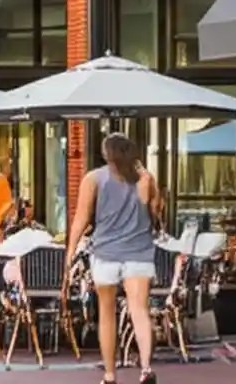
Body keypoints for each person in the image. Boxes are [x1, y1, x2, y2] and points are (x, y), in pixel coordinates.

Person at [65, 133, 160, 384]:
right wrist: (151, 185)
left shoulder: (93, 178)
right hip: (139, 252)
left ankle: (109, 374)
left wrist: (70, 251)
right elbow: (156, 213)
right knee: (139, 309)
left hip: (106, 253)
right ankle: (146, 367)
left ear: (107, 154)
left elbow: (81, 218)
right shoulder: (143, 179)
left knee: (107, 313)